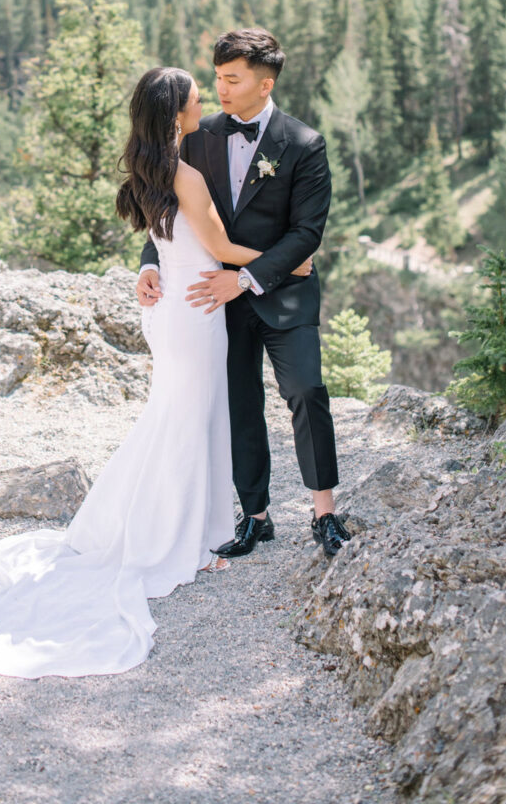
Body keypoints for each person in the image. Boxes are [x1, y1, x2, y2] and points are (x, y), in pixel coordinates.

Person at [0, 66, 311, 679]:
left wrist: (153, 267)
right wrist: (291, 262)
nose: (202, 102)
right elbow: (220, 247)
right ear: (176, 114)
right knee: (188, 423)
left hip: (173, 310)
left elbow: (165, 243)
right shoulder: (184, 174)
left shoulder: (148, 171)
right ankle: (180, 540)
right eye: (193, 97)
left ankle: (196, 527)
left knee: (179, 417)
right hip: (194, 311)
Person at [138, 29, 350, 559]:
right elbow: (169, 209)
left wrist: (248, 277)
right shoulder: (197, 135)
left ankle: (325, 513)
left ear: (265, 83)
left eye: (232, 80)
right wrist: (149, 262)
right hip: (214, 300)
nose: (221, 90)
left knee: (306, 390)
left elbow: (307, 234)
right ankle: (255, 516)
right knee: (238, 404)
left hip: (285, 293)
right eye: (217, 79)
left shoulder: (304, 144)